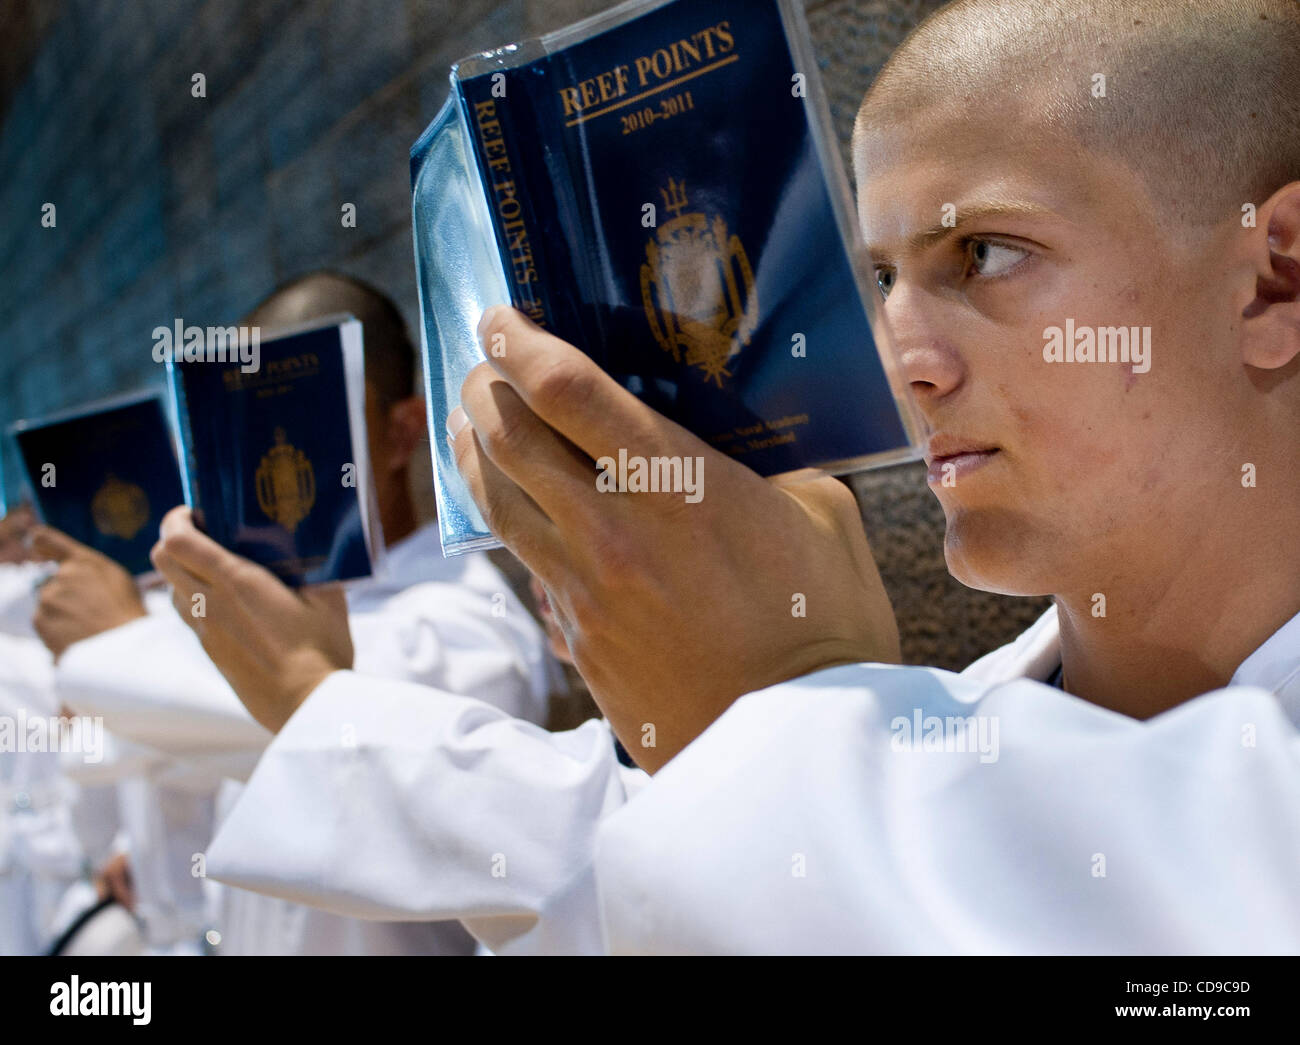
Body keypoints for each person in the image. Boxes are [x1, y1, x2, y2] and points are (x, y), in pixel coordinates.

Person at [157, 0, 1299, 953]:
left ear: (1271, 282)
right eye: (880, 276)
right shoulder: (963, 729)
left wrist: (790, 693)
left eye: (984, 253)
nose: (905, 360)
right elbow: (591, 849)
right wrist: (315, 700)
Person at [40, 271, 557, 954]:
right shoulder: (244, 610)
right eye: (244, 421)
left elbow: (318, 722)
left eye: (296, 409)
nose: (269, 452)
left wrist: (117, 647)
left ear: (401, 431)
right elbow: (162, 762)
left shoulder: (466, 622)